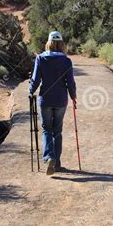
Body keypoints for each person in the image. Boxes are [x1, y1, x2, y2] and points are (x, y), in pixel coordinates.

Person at [29, 31, 77, 176]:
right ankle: (57, 164)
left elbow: (36, 79)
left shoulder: (41, 59)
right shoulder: (66, 61)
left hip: (45, 99)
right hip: (61, 100)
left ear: (49, 43)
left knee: (46, 130)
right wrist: (73, 96)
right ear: (61, 43)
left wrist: (31, 91)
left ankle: (49, 157)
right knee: (57, 131)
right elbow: (70, 82)